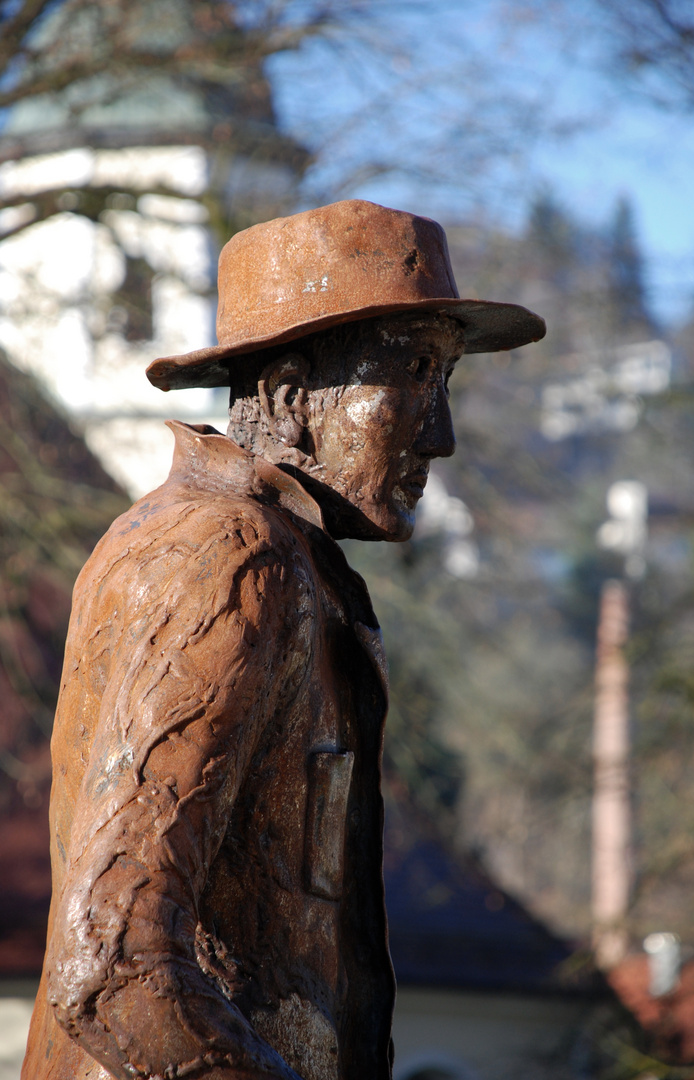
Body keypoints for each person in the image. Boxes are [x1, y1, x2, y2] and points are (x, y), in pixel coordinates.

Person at [22, 199, 545, 1080]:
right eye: (413, 375)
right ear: (292, 397)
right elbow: (111, 967)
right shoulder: (224, 556)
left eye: (445, 381)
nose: (441, 435)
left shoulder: (276, 561)